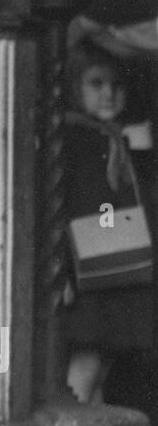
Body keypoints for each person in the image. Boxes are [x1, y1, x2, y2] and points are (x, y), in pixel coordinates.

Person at [59, 43, 155, 405]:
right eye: (95, 84)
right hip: (88, 273)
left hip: (117, 268)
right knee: (87, 365)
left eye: (116, 85)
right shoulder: (72, 138)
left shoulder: (118, 138)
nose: (108, 93)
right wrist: (64, 272)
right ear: (75, 88)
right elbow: (63, 206)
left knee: (102, 367)